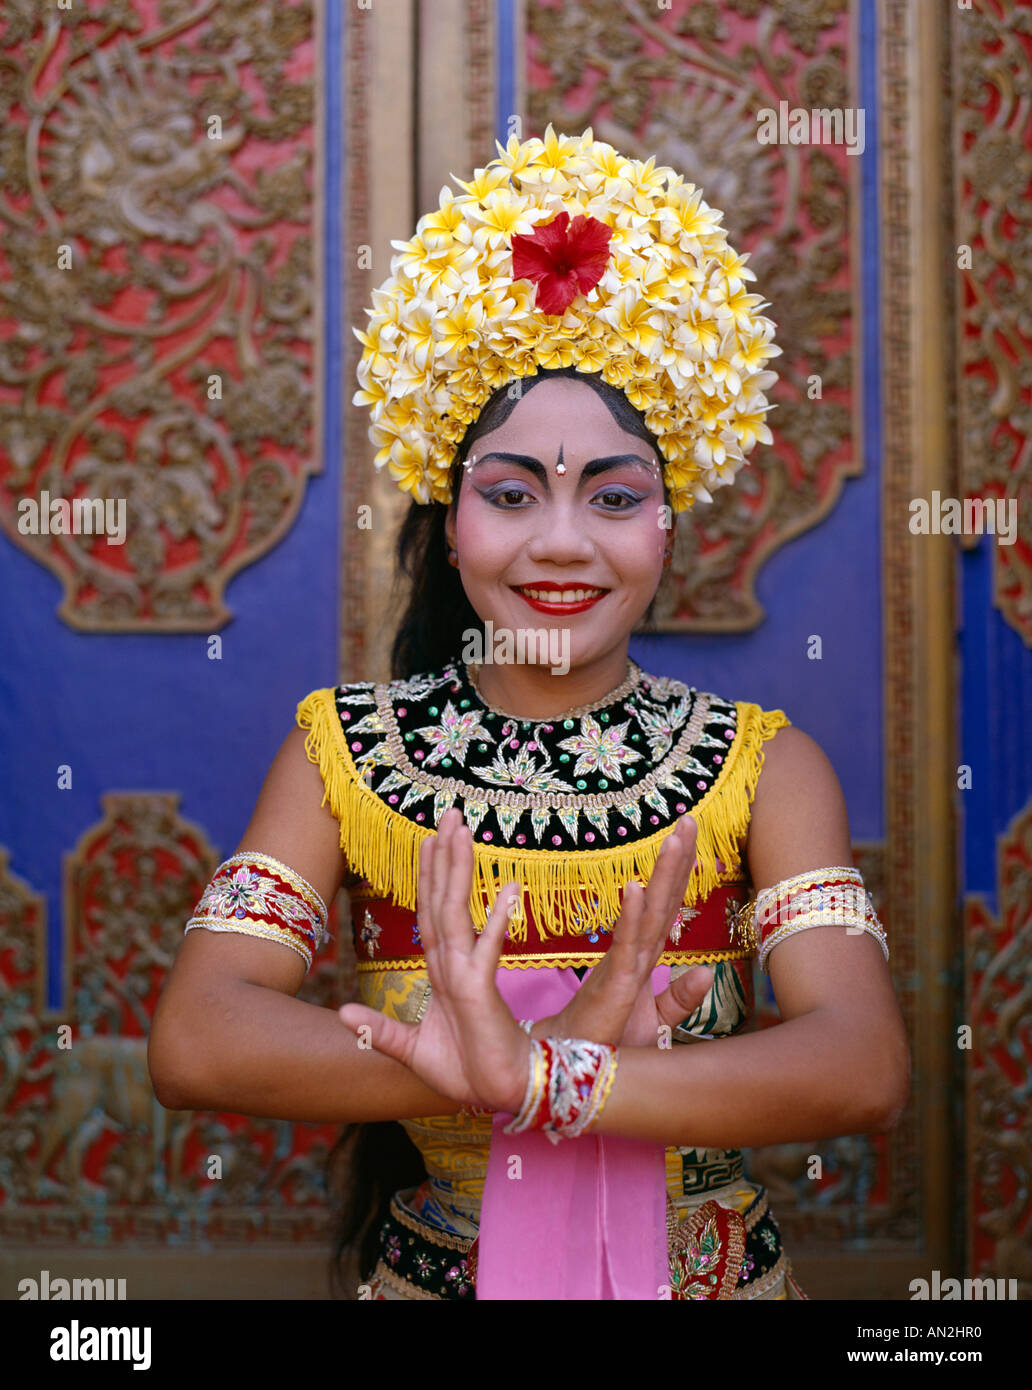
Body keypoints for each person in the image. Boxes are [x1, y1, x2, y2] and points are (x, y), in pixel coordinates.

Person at [148, 126, 909, 1301]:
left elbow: (861, 1066)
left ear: (668, 523)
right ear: (451, 524)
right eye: (511, 494)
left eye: (614, 496)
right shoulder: (346, 753)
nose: (562, 541)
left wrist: (542, 1080)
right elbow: (196, 1039)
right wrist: (452, 1067)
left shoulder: (764, 767)